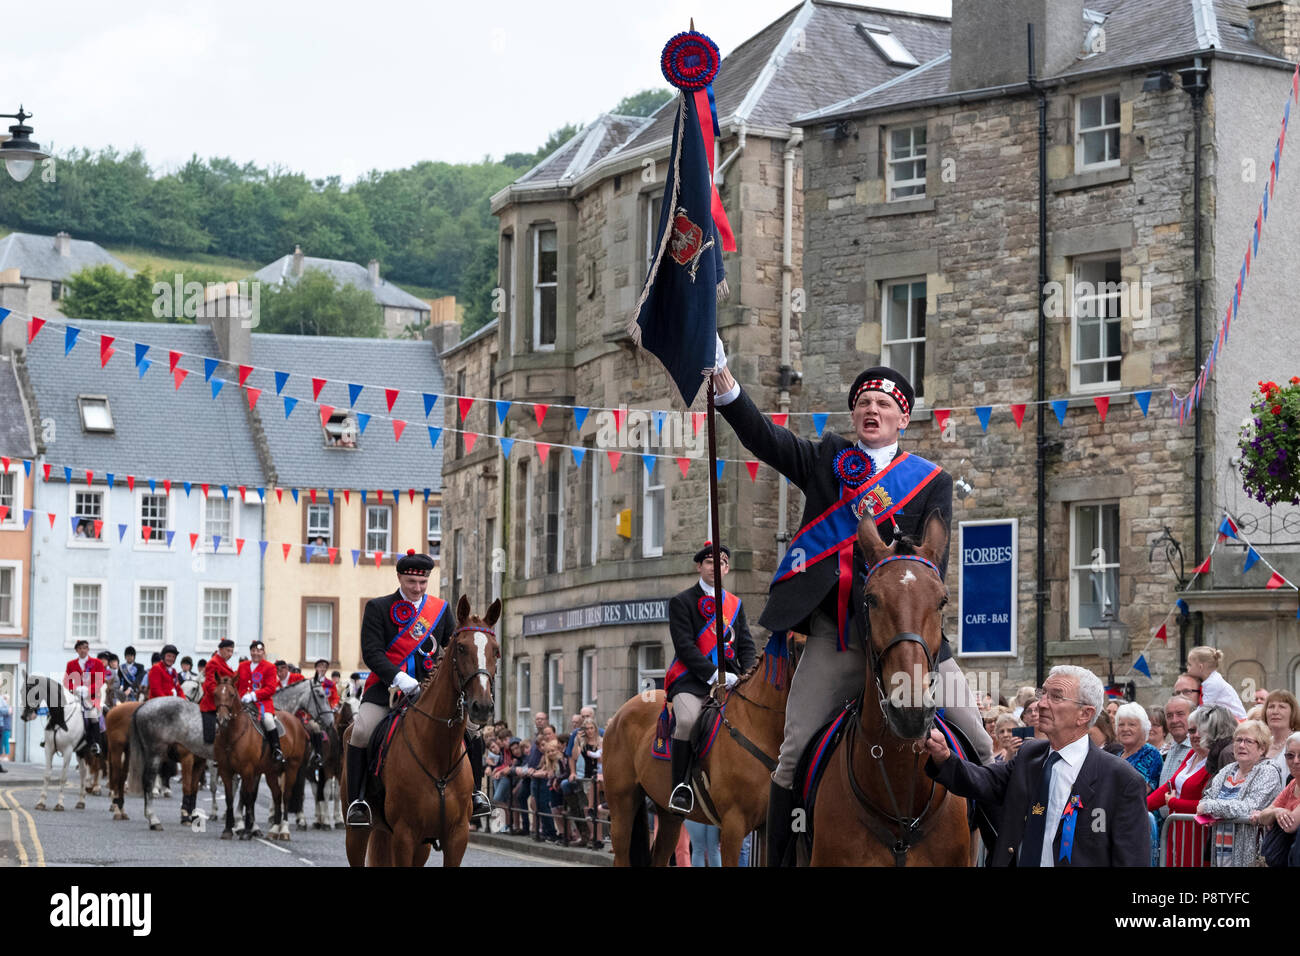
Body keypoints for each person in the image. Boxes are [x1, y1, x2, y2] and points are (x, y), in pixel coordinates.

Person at [710, 357, 993, 866]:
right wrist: (725, 380)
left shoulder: (930, 481)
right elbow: (762, 439)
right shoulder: (827, 460)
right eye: (863, 402)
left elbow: (933, 569)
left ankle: (1000, 853)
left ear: (902, 419)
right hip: (836, 638)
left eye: (884, 404)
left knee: (979, 740)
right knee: (792, 753)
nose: (872, 409)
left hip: (910, 641)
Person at [923, 664, 1151, 866]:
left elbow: (1132, 860)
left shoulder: (1121, 780)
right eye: (1043, 694)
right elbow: (983, 781)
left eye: (1056, 696)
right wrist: (944, 757)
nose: (1041, 704)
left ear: (1084, 714)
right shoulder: (1030, 757)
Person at [346, 550, 457, 826]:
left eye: (422, 583)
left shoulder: (440, 610)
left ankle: (476, 795)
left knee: (468, 730)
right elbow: (372, 653)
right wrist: (399, 678)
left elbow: (453, 648)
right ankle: (358, 801)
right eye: (411, 582)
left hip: (429, 691)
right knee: (362, 731)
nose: (417, 588)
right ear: (399, 577)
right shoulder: (378, 608)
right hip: (386, 689)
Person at [665, 542, 756, 814]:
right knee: (688, 721)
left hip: (731, 680)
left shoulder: (735, 605)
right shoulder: (681, 602)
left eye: (723, 562)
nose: (717, 567)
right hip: (692, 680)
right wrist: (714, 674)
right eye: (710, 562)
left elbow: (747, 646)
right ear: (699, 566)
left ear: (727, 569)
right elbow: (685, 647)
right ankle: (680, 787)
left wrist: (748, 674)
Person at [1146, 705, 1232, 866]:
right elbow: (1169, 786)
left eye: (1202, 730)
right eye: (1192, 731)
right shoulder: (1192, 754)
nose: (1196, 735)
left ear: (1214, 732)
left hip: (1199, 833)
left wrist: (1173, 803)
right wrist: (1139, 806)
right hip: (1177, 831)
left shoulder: (1218, 760)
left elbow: (1212, 806)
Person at [1197, 719, 1284, 866]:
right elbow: (1206, 799)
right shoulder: (1228, 770)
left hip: (1251, 853)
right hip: (1221, 848)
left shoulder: (1269, 771)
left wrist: (1211, 807)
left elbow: (1248, 807)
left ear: (1262, 748)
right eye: (1238, 740)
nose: (1241, 745)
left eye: (1248, 741)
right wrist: (1208, 807)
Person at [1251, 732, 1300, 866]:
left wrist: (1273, 815)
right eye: (1290, 756)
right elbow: (1264, 816)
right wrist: (1277, 812)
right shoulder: (1293, 782)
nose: (1295, 761)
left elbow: (1290, 825)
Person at [237, 640, 284, 766]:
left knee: (268, 720)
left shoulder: (269, 667)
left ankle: (276, 749)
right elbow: (237, 683)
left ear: (263, 652)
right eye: (253, 650)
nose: (256, 653)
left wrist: (254, 695)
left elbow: (270, 688)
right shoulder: (243, 666)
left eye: (259, 650)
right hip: (243, 703)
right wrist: (239, 696)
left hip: (262, 704)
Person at [64, 639, 107, 756]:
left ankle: (96, 744)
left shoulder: (96, 663)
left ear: (88, 649)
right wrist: (75, 689)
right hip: (75, 696)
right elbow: (67, 682)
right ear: (77, 650)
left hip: (91, 697)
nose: (83, 650)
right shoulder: (71, 664)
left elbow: (100, 681)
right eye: (80, 648)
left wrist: (88, 690)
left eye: (85, 648)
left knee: (92, 715)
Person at [1185, 646, 1247, 720]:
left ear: (1200, 667)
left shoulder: (1213, 683)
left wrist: (1188, 717)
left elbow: (1203, 708)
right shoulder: (1212, 679)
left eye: (1189, 664)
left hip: (1237, 721)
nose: (1187, 667)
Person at [1115, 702, 1162, 792]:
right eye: (1121, 725)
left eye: (1131, 724)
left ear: (1143, 728)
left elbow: (1139, 791)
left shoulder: (1150, 754)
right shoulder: (1118, 755)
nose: (1125, 729)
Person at [199, 639, 238, 744]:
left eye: (231, 651)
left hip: (227, 702)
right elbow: (210, 685)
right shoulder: (213, 663)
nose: (230, 654)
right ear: (220, 650)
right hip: (214, 703)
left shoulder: (224, 663)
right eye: (228, 650)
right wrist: (223, 697)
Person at [1263, 690, 1300, 778]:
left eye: (1282, 707)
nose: (1275, 711)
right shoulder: (1263, 743)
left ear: (1293, 712)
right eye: (1271, 707)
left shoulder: (1297, 741)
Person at [1159, 696, 1194, 787]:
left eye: (1180, 714)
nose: (1174, 720)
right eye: (1169, 716)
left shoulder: (1198, 750)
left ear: (1193, 716)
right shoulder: (1170, 748)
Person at [0, 688, 10, 770]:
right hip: (2, 726)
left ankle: (6, 757)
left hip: (4, 726)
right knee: (2, 743)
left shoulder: (7, 707)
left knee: (4, 743)